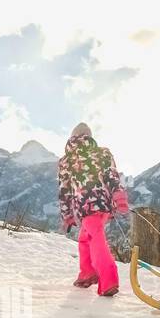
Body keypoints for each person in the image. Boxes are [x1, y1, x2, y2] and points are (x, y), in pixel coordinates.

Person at [58, 122, 129, 297]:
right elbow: (112, 177)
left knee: (96, 238)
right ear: (89, 136)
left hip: (86, 207)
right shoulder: (103, 152)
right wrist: (118, 196)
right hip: (105, 206)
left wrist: (67, 215)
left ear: (72, 137)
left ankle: (108, 280)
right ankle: (87, 273)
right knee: (85, 238)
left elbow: (65, 191)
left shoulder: (66, 160)